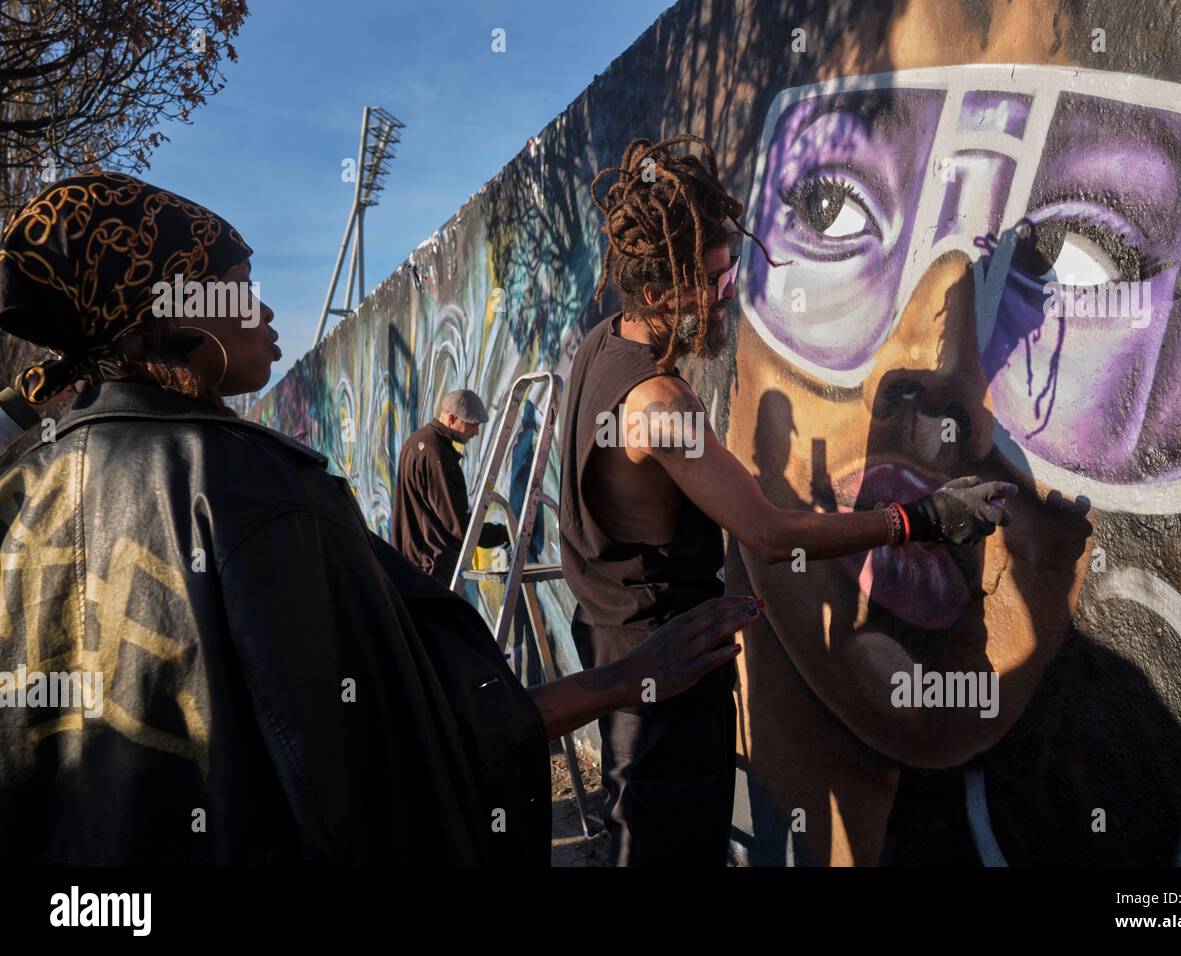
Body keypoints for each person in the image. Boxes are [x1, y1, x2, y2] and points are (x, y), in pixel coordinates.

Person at [0, 171, 759, 865]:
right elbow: (408, 738)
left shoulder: (22, 491)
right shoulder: (251, 491)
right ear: (178, 315)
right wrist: (627, 678)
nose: (265, 312)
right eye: (240, 290)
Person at [558, 135, 1016, 866]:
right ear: (657, 290)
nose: (724, 293)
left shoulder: (597, 348)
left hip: (624, 659)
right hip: (664, 681)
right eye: (708, 279)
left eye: (726, 269)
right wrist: (921, 519)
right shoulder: (657, 402)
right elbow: (769, 535)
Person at [393, 388, 508, 587]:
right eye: (472, 424)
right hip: (431, 564)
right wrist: (503, 534)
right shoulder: (437, 455)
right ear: (452, 418)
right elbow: (457, 524)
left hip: (414, 559)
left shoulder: (417, 441)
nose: (477, 432)